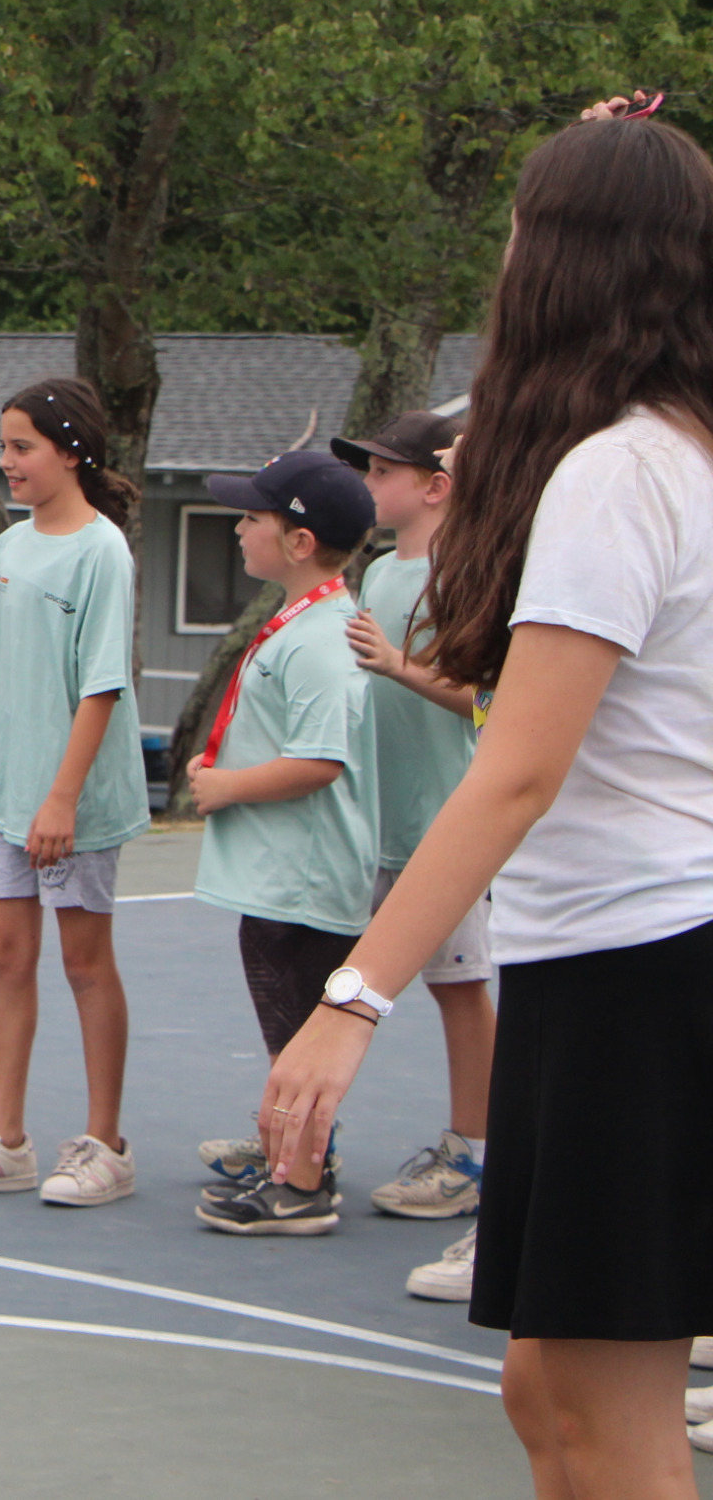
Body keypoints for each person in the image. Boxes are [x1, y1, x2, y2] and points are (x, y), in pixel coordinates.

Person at [263, 99, 713, 1497]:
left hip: (637, 970)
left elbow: (517, 766)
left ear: (561, 261)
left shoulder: (621, 471)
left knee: (603, 1416)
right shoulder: (671, 450)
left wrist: (353, 998)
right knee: (546, 1390)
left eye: (521, 231)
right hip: (627, 960)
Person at [0, 378, 150, 1207]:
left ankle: (107, 1145)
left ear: (72, 452)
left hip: (75, 802)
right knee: (4, 956)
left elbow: (102, 685)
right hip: (7, 792)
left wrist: (62, 798)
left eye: (23, 446)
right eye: (5, 445)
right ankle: (5, 1140)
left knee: (85, 962)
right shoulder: (11, 545)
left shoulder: (102, 551)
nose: (8, 461)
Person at [185, 449, 378, 1235]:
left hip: (302, 876)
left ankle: (301, 1182)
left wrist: (228, 785)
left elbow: (320, 760)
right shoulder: (304, 620)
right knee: (289, 1027)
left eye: (252, 517)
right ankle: (291, 1146)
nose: (238, 528)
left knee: (298, 1029)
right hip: (280, 872)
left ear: (299, 541)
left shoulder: (322, 638)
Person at [332, 411, 496, 1233]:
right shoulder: (375, 575)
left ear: (434, 486)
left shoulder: (462, 573)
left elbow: (490, 701)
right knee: (341, 979)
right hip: (378, 825)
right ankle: (303, 1140)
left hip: (445, 826)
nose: (368, 484)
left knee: (459, 989)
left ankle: (474, 1153)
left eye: (382, 471)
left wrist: (401, 666)